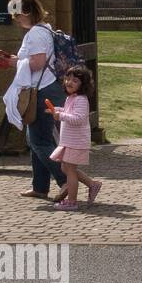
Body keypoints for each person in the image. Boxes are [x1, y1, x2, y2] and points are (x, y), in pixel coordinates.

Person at [0, 0, 67, 200]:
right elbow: (35, 60)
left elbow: (37, 63)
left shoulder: (35, 33)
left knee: (39, 141)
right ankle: (40, 186)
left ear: (26, 12)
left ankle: (64, 181)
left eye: (17, 15)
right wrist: (17, 59)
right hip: (47, 87)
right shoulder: (44, 29)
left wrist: (14, 62)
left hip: (42, 90)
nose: (16, 20)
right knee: (36, 139)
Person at [48, 65, 102, 211]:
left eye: (75, 81)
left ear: (83, 85)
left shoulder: (81, 100)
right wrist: (57, 110)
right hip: (69, 141)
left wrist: (60, 115)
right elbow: (69, 112)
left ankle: (72, 201)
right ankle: (92, 184)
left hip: (76, 142)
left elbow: (78, 118)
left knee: (70, 170)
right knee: (65, 168)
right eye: (68, 79)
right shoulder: (71, 98)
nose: (69, 82)